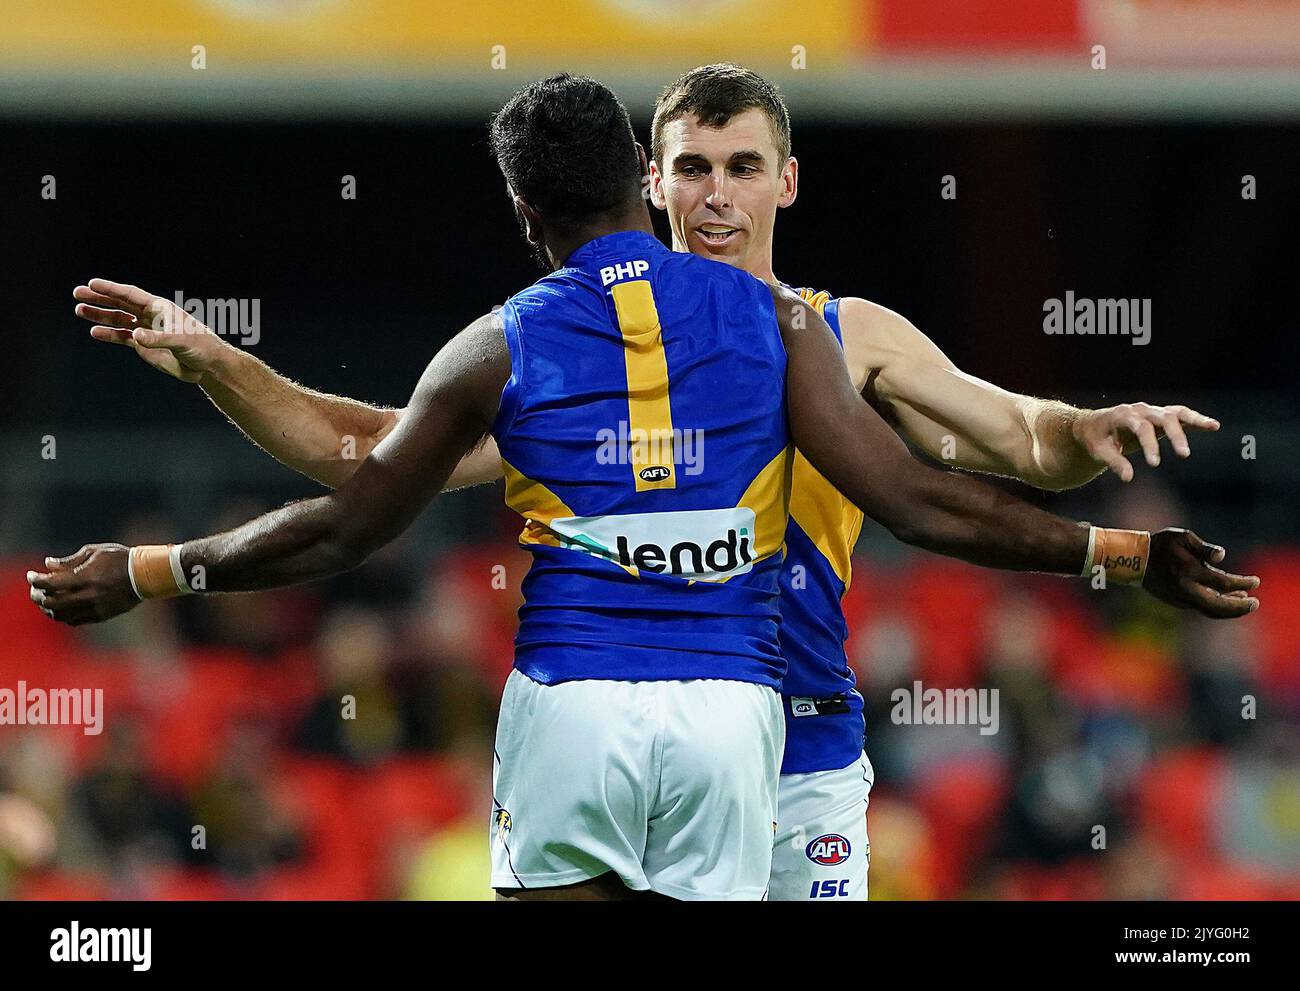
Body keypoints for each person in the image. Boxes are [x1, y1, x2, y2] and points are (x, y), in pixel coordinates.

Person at [37, 74, 1260, 901]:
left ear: (788, 182)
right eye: (688, 167)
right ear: (652, 180)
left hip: (807, 745)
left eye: (741, 165)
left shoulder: (842, 333)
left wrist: (1083, 422)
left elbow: (1014, 441)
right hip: (712, 721)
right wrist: (219, 360)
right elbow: (367, 454)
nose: (713, 192)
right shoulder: (585, 360)